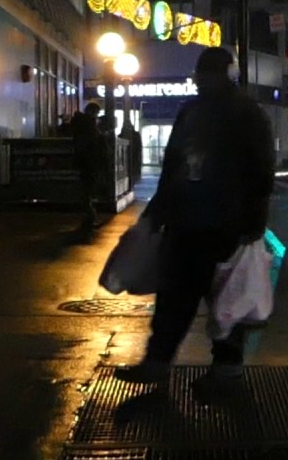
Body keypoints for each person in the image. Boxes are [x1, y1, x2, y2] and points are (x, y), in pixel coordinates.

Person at [115, 47, 275, 399]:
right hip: (225, 225)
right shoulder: (247, 113)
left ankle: (159, 363)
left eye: (203, 75)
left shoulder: (194, 112)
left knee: (176, 298)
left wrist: (158, 211)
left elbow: (174, 166)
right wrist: (254, 221)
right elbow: (261, 171)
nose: (200, 81)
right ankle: (225, 371)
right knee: (226, 300)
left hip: (191, 224)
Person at [72, 101, 105, 230]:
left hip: (83, 160)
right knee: (88, 189)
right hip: (90, 161)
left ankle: (90, 217)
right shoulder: (89, 124)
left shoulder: (80, 123)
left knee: (86, 190)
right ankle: (90, 217)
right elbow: (93, 141)